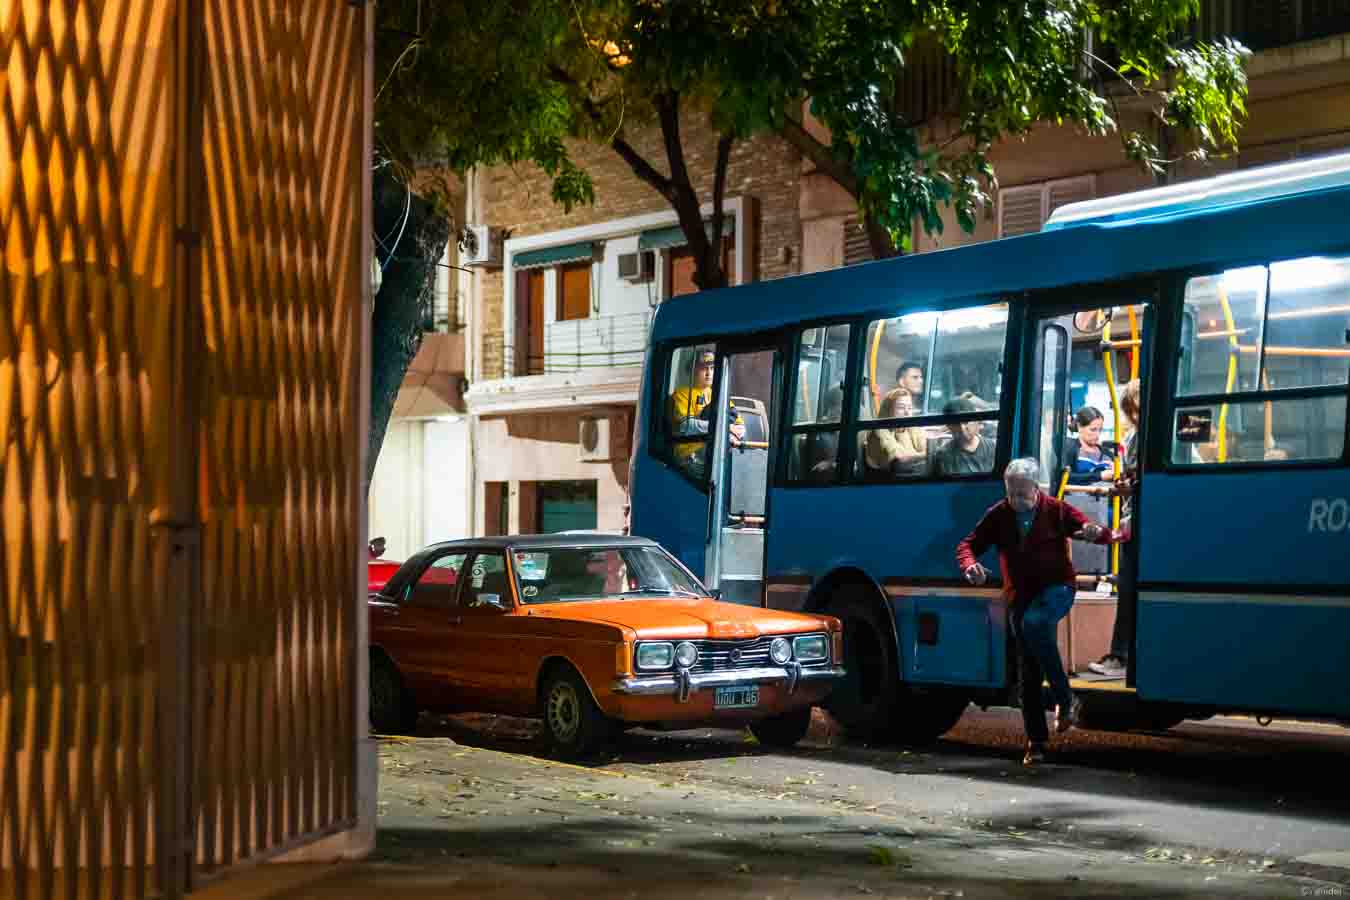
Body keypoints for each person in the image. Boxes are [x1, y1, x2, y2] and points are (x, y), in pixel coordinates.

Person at [957, 458, 1125, 765]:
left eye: (1023, 493)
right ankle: (1036, 741)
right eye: (1011, 493)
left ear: (1037, 489)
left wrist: (1097, 532)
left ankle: (1064, 698)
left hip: (1057, 589)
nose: (1017, 500)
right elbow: (968, 545)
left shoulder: (1056, 509)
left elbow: (1091, 529)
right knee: (1028, 671)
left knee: (1034, 624)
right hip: (1020, 596)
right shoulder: (998, 515)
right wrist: (970, 566)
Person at [1090, 380, 1141, 677]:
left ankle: (1122, 655)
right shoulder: (1137, 435)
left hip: (1140, 519)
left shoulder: (1148, 435)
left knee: (1130, 586)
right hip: (1133, 516)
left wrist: (1129, 488)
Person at [668, 349, 745, 475]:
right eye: (704, 368)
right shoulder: (681, 394)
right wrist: (723, 427)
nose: (709, 373)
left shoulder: (720, 395)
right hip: (689, 456)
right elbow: (685, 426)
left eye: (712, 368)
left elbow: (740, 426)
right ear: (693, 370)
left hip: (715, 453)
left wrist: (732, 433)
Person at [863, 387, 928, 478]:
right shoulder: (879, 430)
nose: (907, 412)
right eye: (901, 408)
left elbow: (928, 450)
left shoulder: (911, 427)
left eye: (909, 408)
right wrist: (924, 455)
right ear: (888, 410)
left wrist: (919, 455)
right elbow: (900, 460)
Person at [934, 394, 994, 476]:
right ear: (948, 426)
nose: (962, 428)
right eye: (956, 424)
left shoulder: (992, 447)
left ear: (976, 421)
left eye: (966, 421)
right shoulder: (944, 456)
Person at [1062, 406, 1117, 484]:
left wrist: (1118, 472)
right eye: (1093, 430)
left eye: (1100, 430)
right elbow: (1065, 477)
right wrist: (1100, 476)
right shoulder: (1069, 448)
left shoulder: (1107, 453)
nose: (1097, 435)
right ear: (1079, 427)